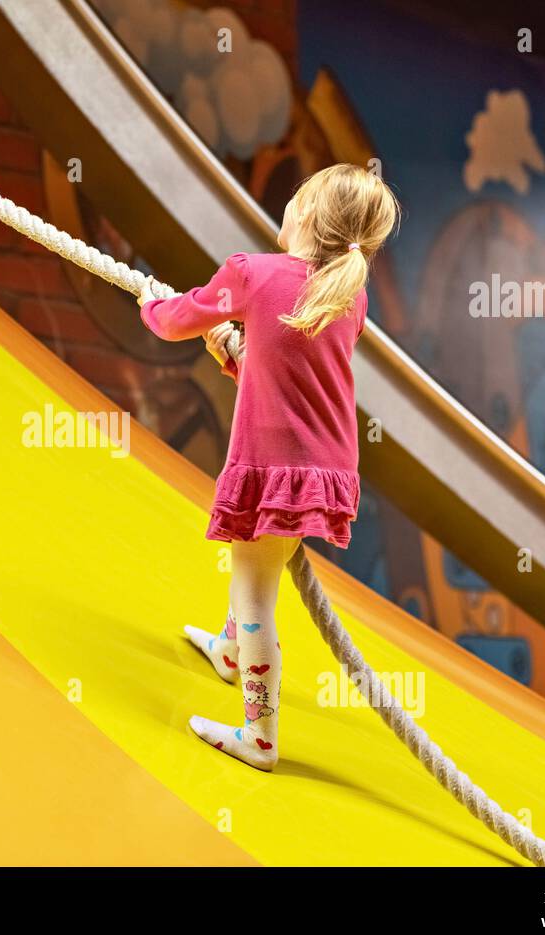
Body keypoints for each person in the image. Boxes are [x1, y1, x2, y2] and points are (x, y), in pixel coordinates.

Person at [137, 163, 399, 770]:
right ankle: (231, 649)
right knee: (258, 566)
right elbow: (289, 370)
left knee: (253, 590)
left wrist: (152, 306)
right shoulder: (347, 296)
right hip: (326, 468)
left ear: (304, 213)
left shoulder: (251, 274)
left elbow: (181, 320)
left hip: (273, 463)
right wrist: (236, 354)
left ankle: (260, 735)